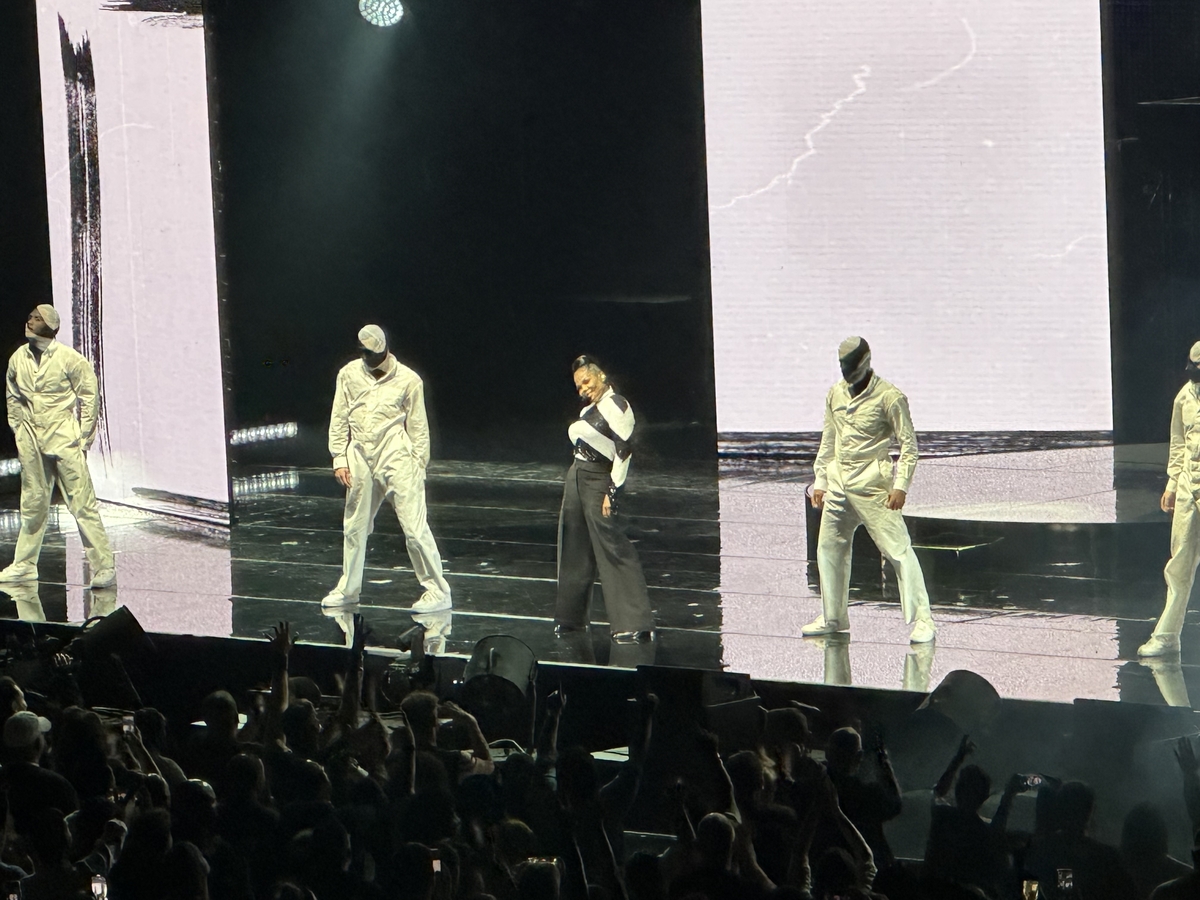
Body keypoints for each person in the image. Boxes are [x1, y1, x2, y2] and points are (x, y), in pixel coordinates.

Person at [804, 337, 935, 643]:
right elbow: (829, 441)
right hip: (839, 484)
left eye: (851, 364)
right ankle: (833, 616)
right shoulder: (835, 394)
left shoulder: (890, 397)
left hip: (873, 485)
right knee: (829, 548)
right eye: (842, 365)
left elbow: (909, 446)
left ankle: (923, 618)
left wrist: (901, 486)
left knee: (898, 550)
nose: (846, 371)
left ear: (865, 362)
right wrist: (821, 481)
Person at [322, 325, 451, 612]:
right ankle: (348, 589)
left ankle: (438, 591)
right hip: (359, 455)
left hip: (396, 456)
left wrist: (419, 464)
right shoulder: (349, 374)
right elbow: (339, 416)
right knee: (354, 526)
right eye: (364, 353)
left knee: (415, 529)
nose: (368, 358)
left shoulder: (408, 380)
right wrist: (339, 459)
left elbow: (418, 426)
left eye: (372, 353)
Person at [0, 306, 114, 588]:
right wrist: (18, 429)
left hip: (63, 439)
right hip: (31, 440)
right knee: (33, 504)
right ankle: (24, 565)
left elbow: (89, 397)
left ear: (50, 326)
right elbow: (13, 395)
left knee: (82, 504)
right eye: (30, 316)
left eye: (37, 318)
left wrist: (84, 437)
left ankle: (104, 566)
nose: (30, 320)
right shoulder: (19, 358)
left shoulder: (70, 359)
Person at [554, 355, 655, 643]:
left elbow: (624, 451)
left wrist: (612, 491)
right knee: (573, 545)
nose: (583, 388)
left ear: (600, 376)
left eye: (586, 381)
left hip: (599, 479)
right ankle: (570, 619)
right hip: (577, 475)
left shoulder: (616, 405)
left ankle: (635, 621)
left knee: (611, 545)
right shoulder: (591, 408)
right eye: (578, 385)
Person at [1140, 341, 1200, 656]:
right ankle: (1167, 636)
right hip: (1191, 487)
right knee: (1179, 563)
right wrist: (1173, 483)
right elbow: (1178, 441)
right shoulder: (1185, 396)